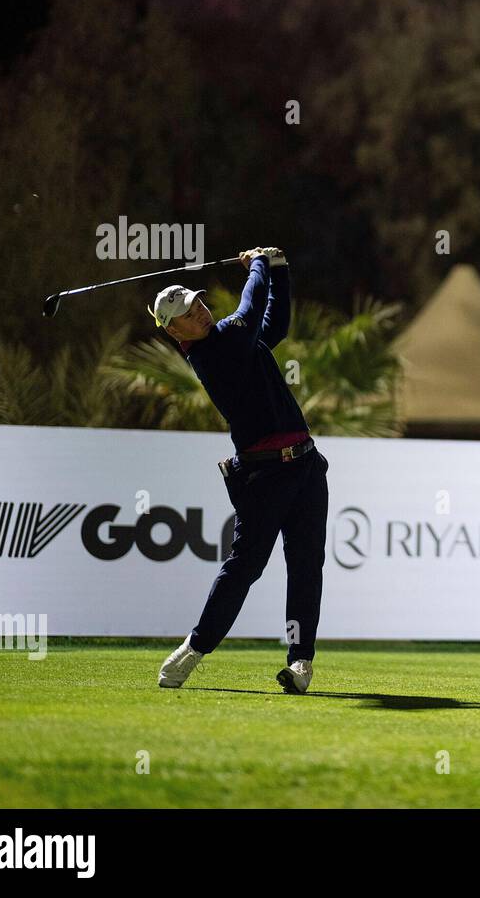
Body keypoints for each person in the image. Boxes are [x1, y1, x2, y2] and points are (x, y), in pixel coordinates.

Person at [150, 247, 328, 694]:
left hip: (305, 467)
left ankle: (300, 662)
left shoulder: (236, 340)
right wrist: (258, 266)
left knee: (306, 566)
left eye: (200, 304)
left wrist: (281, 270)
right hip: (263, 478)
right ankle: (195, 647)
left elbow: (274, 324)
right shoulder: (214, 352)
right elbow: (250, 310)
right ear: (175, 332)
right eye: (190, 314)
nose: (202, 313)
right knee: (244, 566)